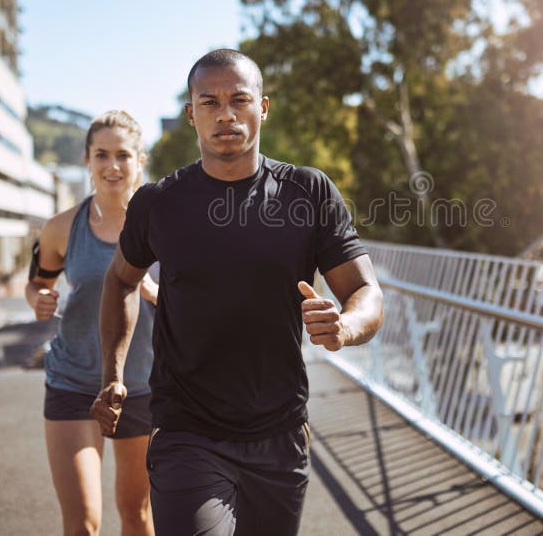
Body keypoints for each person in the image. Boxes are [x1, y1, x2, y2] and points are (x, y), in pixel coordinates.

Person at [90, 48, 384, 536]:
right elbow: (121, 278)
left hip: (281, 435)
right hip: (187, 434)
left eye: (239, 100)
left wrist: (344, 326)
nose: (225, 114)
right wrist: (112, 374)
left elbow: (365, 290)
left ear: (262, 107)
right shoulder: (158, 203)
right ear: (191, 114)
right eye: (209, 102)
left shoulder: (307, 192)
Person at [26, 110, 156, 536]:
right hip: (72, 383)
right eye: (102, 154)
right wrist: (39, 299)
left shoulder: (163, 227)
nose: (112, 166)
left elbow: (202, 300)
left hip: (143, 388)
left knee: (137, 516)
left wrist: (157, 292)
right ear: (87, 159)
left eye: (123, 155)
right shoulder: (62, 228)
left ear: (140, 160)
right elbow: (38, 283)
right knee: (83, 523)